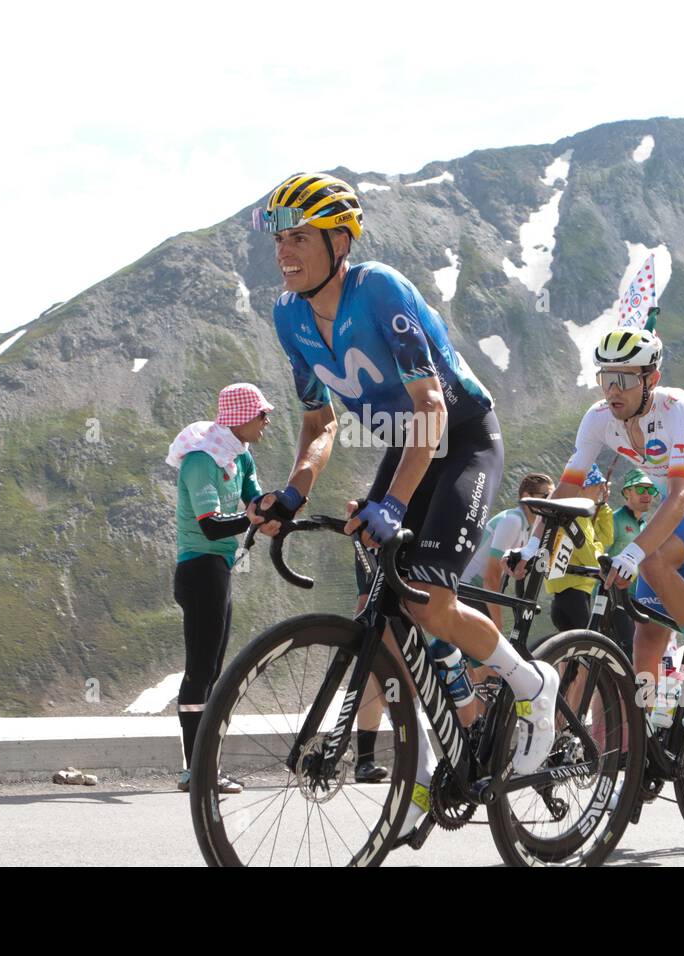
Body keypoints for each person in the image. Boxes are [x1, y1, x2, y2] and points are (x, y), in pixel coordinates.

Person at [248, 172, 560, 838]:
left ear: (340, 240)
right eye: (280, 240)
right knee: (386, 616)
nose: (285, 253)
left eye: (300, 237)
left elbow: (431, 408)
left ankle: (533, 684)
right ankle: (455, 742)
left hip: (460, 437)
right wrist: (294, 490)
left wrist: (393, 502)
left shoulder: (380, 289)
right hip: (405, 446)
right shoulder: (287, 314)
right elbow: (318, 421)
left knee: (426, 594)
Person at [523, 325, 684, 730]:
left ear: (652, 380)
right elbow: (567, 487)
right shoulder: (597, 419)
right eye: (606, 378)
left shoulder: (678, 409)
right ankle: (640, 733)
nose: (613, 390)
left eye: (625, 380)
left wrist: (633, 553)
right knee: (646, 631)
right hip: (675, 513)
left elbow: (682, 495)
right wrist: (530, 546)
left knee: (653, 559)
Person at [167, 383, 275, 793]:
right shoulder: (201, 460)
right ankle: (195, 770)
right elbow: (211, 525)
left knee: (212, 671)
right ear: (240, 418)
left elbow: (256, 501)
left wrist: (278, 509)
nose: (267, 421)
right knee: (200, 670)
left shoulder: (239, 454)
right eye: (261, 414)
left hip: (220, 568)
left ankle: (203, 765)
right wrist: (254, 518)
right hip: (199, 569)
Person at [461, 472, 553, 629]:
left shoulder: (526, 527)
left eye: (553, 498)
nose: (550, 503)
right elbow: (490, 577)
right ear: (526, 496)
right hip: (468, 589)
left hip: (475, 592)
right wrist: (498, 622)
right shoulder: (513, 521)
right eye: (546, 496)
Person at [544, 464, 616, 635]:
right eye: (597, 485)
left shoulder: (578, 517)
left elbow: (607, 538)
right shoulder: (576, 518)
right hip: (574, 595)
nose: (601, 488)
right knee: (589, 649)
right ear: (582, 487)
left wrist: (603, 505)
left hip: (563, 596)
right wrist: (598, 549)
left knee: (570, 654)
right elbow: (593, 559)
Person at [604, 469, 655, 654]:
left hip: (636, 602)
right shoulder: (615, 519)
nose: (647, 495)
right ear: (627, 492)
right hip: (613, 599)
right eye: (641, 489)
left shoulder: (646, 527)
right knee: (625, 655)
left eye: (651, 490)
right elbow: (599, 557)